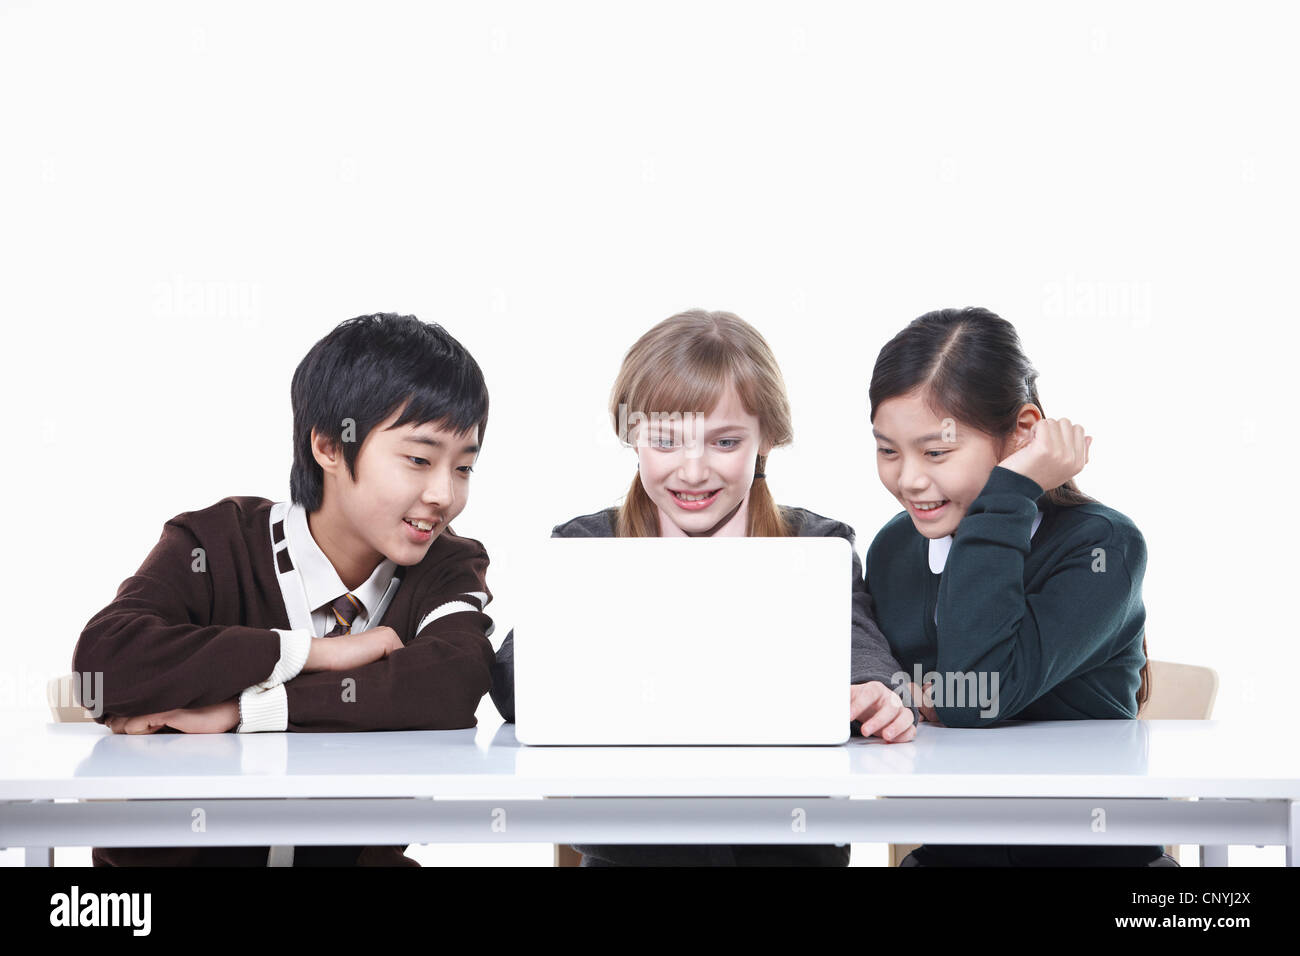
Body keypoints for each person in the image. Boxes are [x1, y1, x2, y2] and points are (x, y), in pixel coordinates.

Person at [491, 308, 916, 866]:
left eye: (724, 443)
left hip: (790, 851)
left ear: (764, 441)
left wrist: (873, 689)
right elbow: (512, 678)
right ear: (632, 438)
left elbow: (859, 645)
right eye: (665, 442)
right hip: (634, 852)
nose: (693, 472)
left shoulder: (815, 544)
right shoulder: (586, 546)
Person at [72, 313, 496, 866]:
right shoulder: (214, 543)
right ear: (327, 445)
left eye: (463, 468)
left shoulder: (448, 566)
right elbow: (103, 667)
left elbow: (454, 678)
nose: (444, 494)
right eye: (418, 460)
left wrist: (249, 709)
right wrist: (311, 652)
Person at [865, 306, 1176, 866]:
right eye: (888, 450)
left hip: (1096, 860)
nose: (908, 479)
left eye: (936, 452)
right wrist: (910, 694)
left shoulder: (1103, 547)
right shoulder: (895, 547)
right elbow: (889, 687)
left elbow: (977, 693)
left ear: (1023, 435)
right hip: (956, 855)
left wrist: (1008, 492)